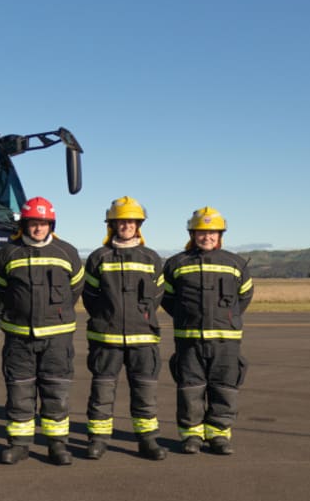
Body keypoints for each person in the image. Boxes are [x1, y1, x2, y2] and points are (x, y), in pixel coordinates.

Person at [0, 196, 84, 465]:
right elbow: (1, 288)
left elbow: (75, 288)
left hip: (57, 338)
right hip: (19, 337)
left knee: (56, 392)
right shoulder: (9, 253)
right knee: (19, 392)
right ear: (24, 224)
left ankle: (57, 445)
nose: (38, 228)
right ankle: (19, 445)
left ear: (51, 225)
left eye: (43, 223)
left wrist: (55, 314)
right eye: (33, 223)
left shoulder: (67, 252)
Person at [162, 206, 253, 455]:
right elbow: (166, 298)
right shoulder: (176, 263)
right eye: (201, 232)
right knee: (190, 388)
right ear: (192, 234)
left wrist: (228, 318)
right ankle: (191, 434)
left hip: (226, 340)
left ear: (220, 234)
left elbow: (244, 296)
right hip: (189, 339)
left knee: (224, 387)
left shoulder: (235, 263)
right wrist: (185, 317)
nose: (207, 237)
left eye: (212, 232)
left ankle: (218, 434)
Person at [81, 197, 167, 461]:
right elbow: (89, 296)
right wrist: (107, 317)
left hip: (143, 339)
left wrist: (141, 317)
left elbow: (157, 296)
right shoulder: (98, 257)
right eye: (121, 221)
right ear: (112, 225)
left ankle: (147, 440)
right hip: (106, 338)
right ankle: (98, 440)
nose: (126, 225)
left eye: (131, 221)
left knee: (145, 393)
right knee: (102, 393)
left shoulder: (151, 258)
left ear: (138, 225)